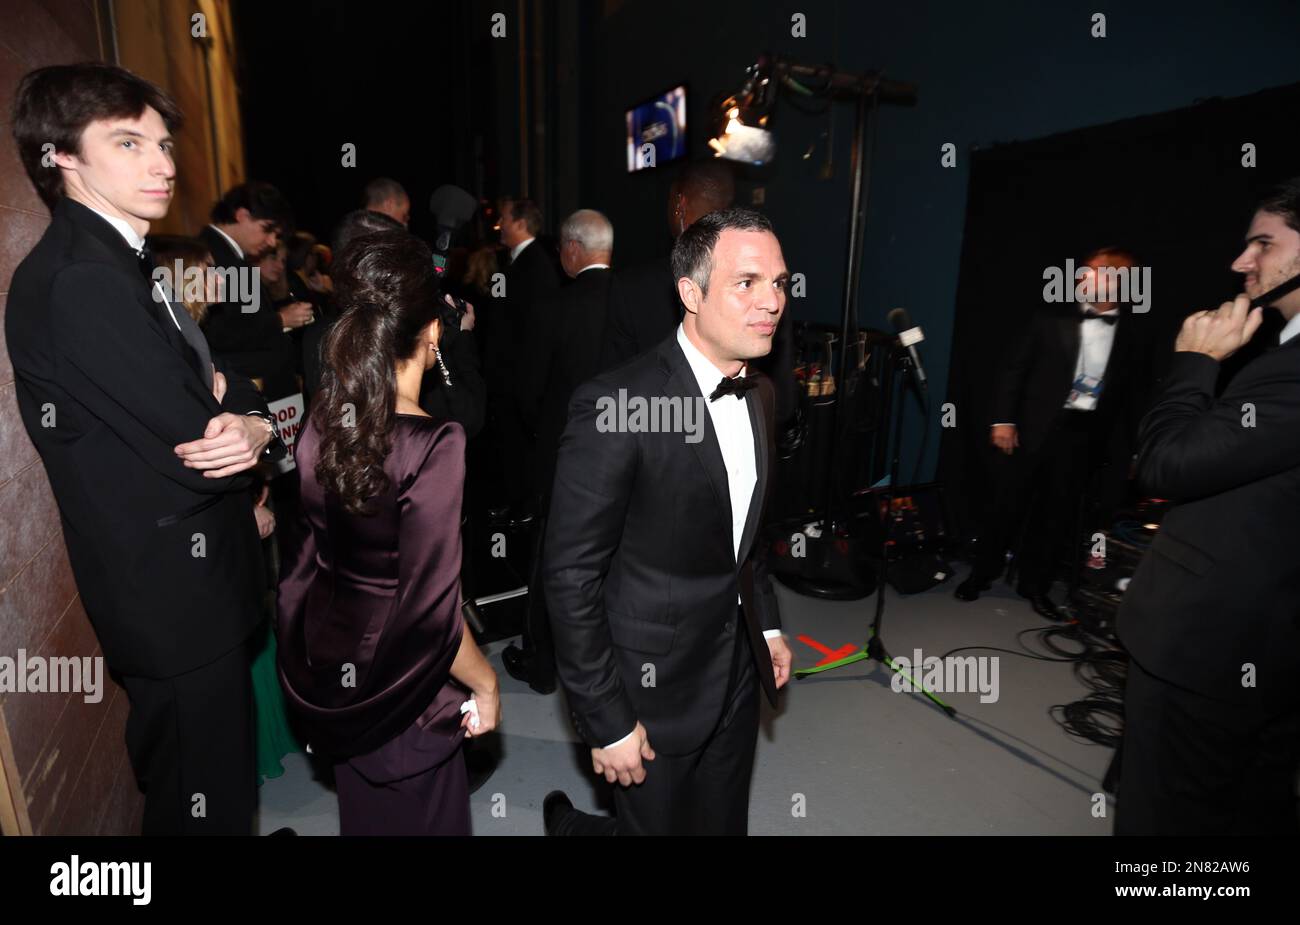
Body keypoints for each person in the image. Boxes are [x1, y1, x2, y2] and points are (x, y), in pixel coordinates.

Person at [6, 62, 282, 835]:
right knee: (202, 807)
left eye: (162, 143)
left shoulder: (125, 260)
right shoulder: (83, 279)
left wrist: (255, 424)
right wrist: (244, 434)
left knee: (211, 794)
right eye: (128, 143)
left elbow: (225, 381)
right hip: (173, 601)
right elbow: (198, 432)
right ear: (59, 156)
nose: (162, 163)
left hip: (186, 589)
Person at [542, 208, 793, 835]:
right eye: (747, 282)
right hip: (649, 688)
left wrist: (766, 629)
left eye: (780, 283)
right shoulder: (616, 405)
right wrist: (607, 719)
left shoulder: (760, 392)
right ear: (690, 292)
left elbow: (746, 537)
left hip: (737, 672)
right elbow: (570, 577)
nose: (771, 302)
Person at [276, 228, 500, 836]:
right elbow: (433, 608)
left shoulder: (322, 418)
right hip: (406, 683)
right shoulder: (434, 444)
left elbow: (305, 560)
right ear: (432, 331)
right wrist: (485, 683)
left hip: (336, 667)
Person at [1114, 179, 1300, 835]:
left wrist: (1193, 364)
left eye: (1263, 243)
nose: (1241, 262)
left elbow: (1164, 467)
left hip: (1212, 644)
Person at [956, 246, 1154, 618]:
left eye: (1090, 271)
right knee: (1006, 505)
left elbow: (1134, 398)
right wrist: (1003, 420)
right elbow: (1014, 370)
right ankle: (981, 574)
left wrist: (1133, 450)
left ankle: (1036, 586)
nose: (1080, 277)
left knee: (1057, 515)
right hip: (1031, 429)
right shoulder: (1049, 319)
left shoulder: (1135, 335)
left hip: (1085, 436)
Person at [504, 209, 616, 694]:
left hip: (564, 456)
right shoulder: (643, 303)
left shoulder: (555, 306)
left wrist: (542, 433)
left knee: (553, 556)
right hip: (625, 455)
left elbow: (527, 390)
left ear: (572, 249)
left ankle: (543, 663)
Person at [200, 182, 309, 400]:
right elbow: (216, 332)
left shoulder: (230, 255)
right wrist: (280, 320)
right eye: (267, 230)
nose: (271, 242)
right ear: (242, 215)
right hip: (244, 389)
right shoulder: (207, 255)